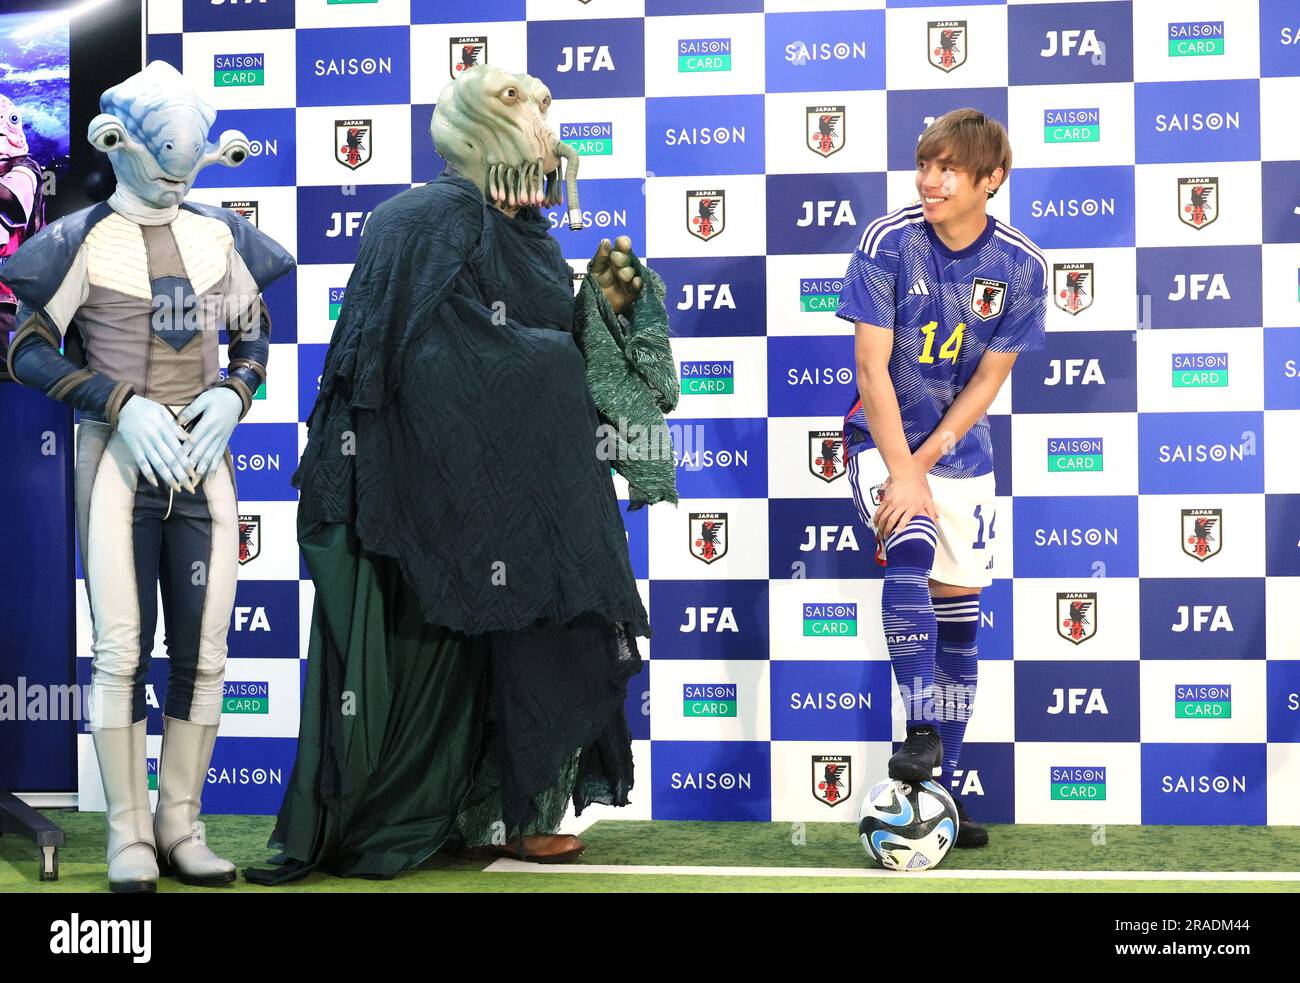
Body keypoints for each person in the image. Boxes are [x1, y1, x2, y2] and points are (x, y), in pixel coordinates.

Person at [245, 64, 675, 884]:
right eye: (536, 122)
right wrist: (544, 363)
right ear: (490, 135)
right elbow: (419, 361)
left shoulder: (530, 234)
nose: (554, 143)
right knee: (431, 650)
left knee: (537, 633)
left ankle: (516, 813)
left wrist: (607, 310)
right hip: (422, 494)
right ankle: (417, 814)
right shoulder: (420, 219)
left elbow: (550, 348)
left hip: (523, 491)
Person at [0, 61, 294, 892]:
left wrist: (237, 394)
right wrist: (116, 401)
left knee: (206, 649)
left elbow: (253, 333)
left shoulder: (218, 233)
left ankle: (180, 823)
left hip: (205, 462)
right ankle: (130, 834)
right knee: (122, 650)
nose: (178, 168)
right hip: (116, 463)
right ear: (115, 142)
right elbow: (23, 348)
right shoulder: (82, 239)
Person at [837, 108, 1047, 848]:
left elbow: (989, 381)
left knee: (960, 628)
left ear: (991, 179)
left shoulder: (1022, 264)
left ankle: (941, 800)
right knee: (913, 544)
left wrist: (927, 465)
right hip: (880, 437)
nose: (929, 180)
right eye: (926, 165)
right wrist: (903, 471)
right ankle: (920, 724)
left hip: (959, 456)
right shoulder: (888, 241)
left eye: (949, 168)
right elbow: (871, 365)